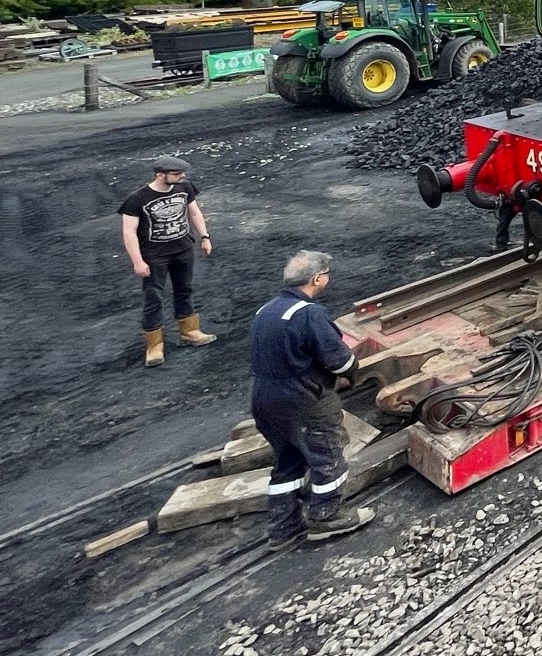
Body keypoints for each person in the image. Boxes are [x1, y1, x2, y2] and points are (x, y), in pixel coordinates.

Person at [249, 252, 374, 548]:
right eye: (327, 274)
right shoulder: (309, 314)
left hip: (264, 400)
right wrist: (353, 374)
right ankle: (325, 517)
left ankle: (282, 528)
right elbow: (340, 362)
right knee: (327, 458)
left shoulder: (264, 311)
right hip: (304, 401)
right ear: (318, 279)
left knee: (288, 462)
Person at [120, 155, 218, 368]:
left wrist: (205, 237)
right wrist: (137, 261)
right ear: (159, 175)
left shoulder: (185, 187)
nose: (182, 176)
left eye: (181, 173)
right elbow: (129, 232)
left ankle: (190, 332)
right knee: (153, 297)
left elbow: (194, 212)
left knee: (185, 289)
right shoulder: (137, 199)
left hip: (183, 249)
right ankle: (154, 346)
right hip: (155, 255)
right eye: (176, 174)